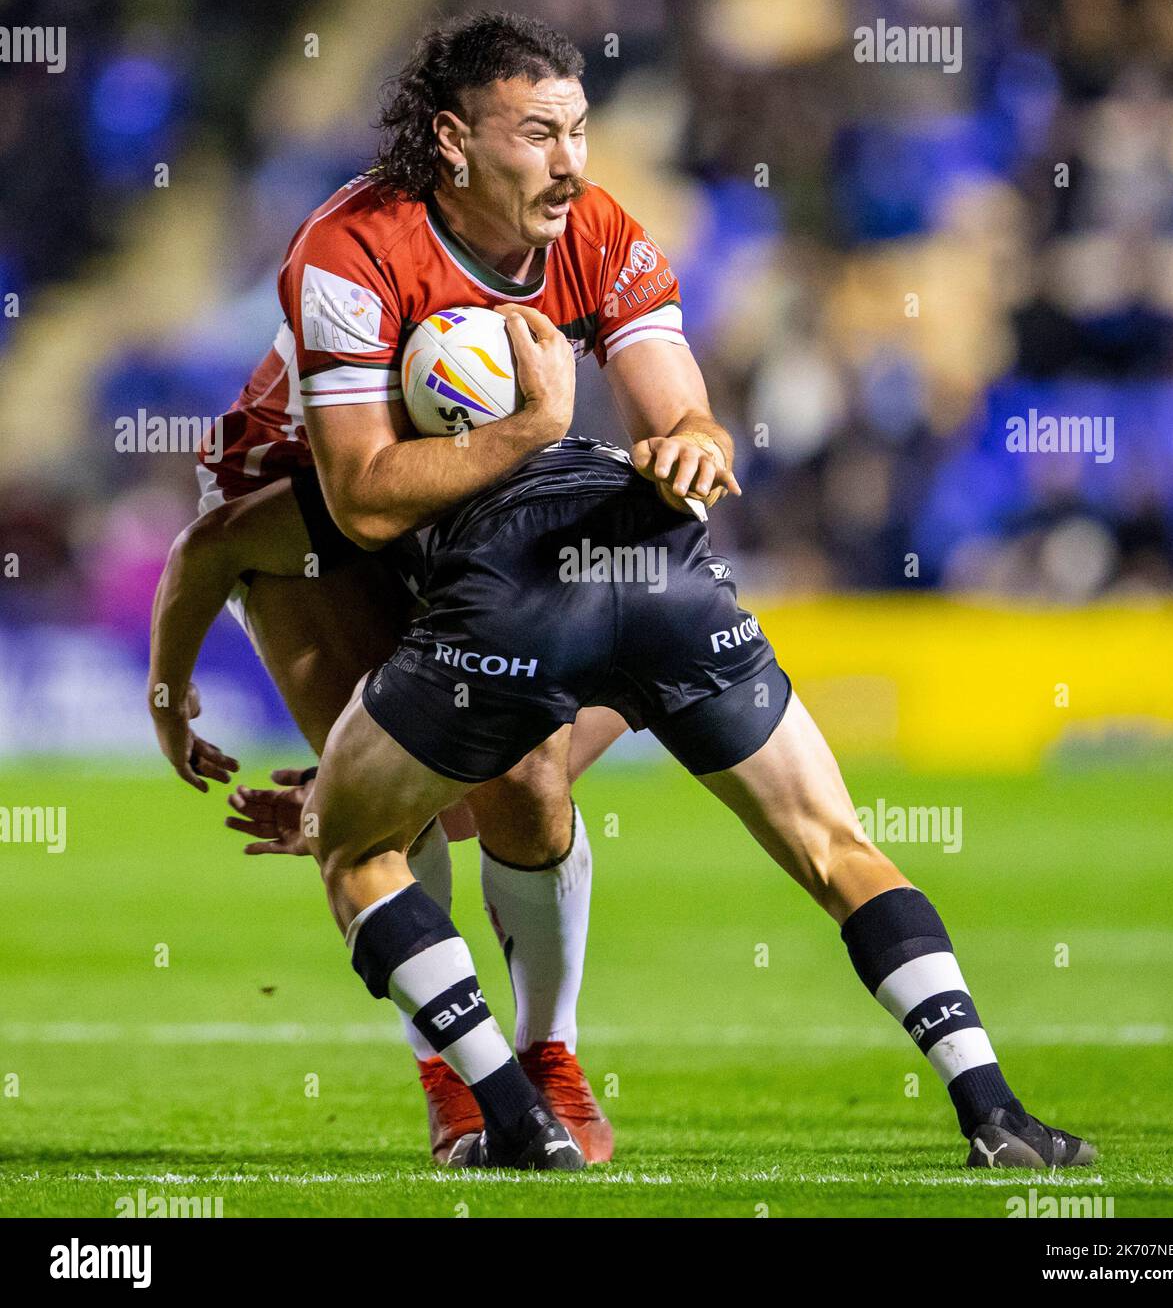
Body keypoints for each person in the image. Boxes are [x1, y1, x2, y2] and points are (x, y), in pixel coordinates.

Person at [229, 325, 1098, 1171]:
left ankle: (516, 1120)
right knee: (838, 849)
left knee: (356, 848)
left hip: (515, 603)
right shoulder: (608, 446)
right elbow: (616, 664)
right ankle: (993, 1110)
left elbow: (210, 547)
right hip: (673, 580)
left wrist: (311, 769)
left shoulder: (386, 486)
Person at [151, 8, 737, 1162]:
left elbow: (685, 414)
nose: (573, 161)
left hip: (482, 504)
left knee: (521, 769)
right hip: (317, 514)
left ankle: (550, 1056)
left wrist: (696, 442)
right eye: (540, 133)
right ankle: (459, 1088)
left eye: (580, 130)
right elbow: (316, 511)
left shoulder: (600, 233)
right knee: (390, 818)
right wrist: (175, 697)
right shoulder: (349, 249)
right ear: (455, 142)